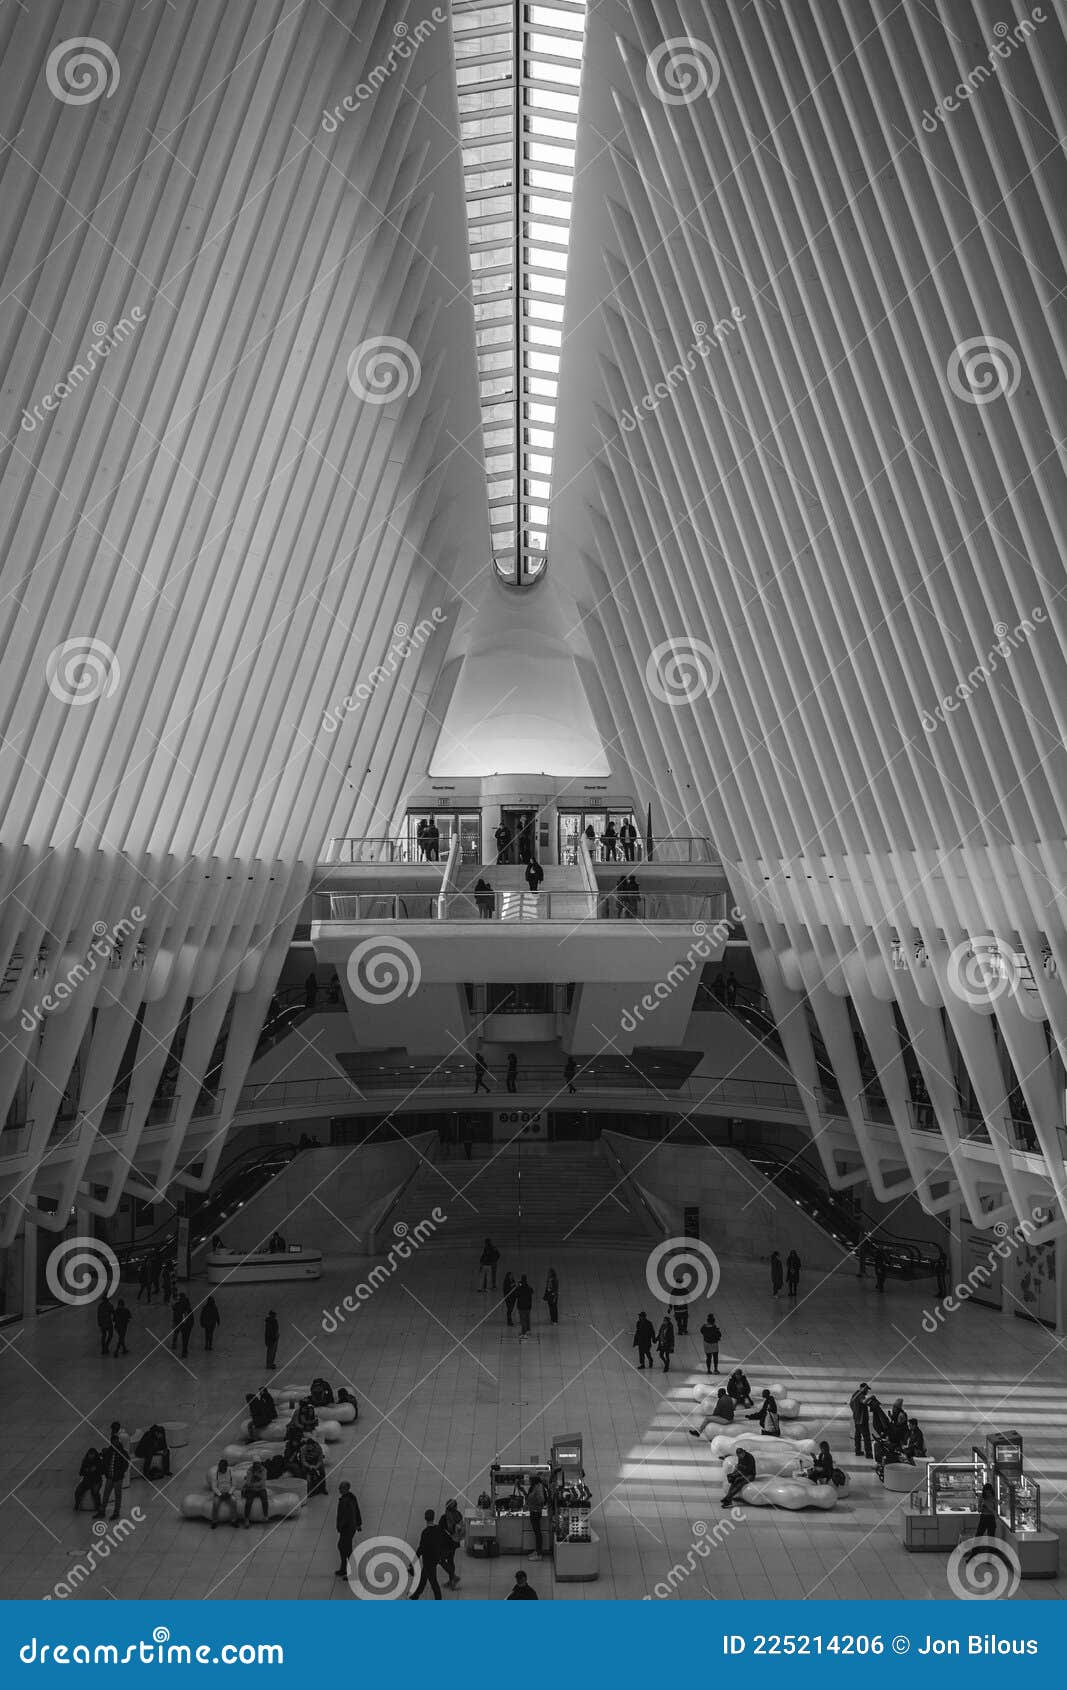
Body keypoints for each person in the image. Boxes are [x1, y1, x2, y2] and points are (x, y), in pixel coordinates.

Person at [97, 1424, 129, 1522]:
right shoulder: (110, 1451)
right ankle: (102, 1511)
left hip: (117, 1478)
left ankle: (115, 1512)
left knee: (117, 1495)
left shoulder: (121, 1452)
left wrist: (120, 1473)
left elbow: (125, 1463)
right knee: (106, 1494)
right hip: (110, 1477)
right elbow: (105, 1462)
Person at [409, 1509, 444, 1599]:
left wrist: (413, 1562)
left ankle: (439, 1599)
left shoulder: (425, 1533)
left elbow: (421, 1548)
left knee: (433, 1582)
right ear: (433, 1517)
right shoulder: (438, 1529)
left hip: (428, 1560)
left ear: (425, 1518)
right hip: (435, 1558)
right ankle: (416, 1595)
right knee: (423, 1578)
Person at [335, 1480, 363, 1577]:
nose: (339, 1489)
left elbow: (347, 1516)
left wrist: (340, 1526)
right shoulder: (351, 1497)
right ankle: (344, 1568)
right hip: (350, 1527)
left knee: (346, 1548)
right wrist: (358, 1523)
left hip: (347, 1528)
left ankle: (352, 1572)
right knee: (343, 1547)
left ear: (345, 1489)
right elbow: (357, 1510)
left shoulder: (345, 1501)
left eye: (341, 1488)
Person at [438, 1499, 464, 1589]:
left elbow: (439, 1531)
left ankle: (453, 1577)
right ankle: (451, 1581)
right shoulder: (459, 1515)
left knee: (440, 1560)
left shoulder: (444, 1518)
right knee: (450, 1560)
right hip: (454, 1542)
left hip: (446, 1543)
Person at [210, 1458, 240, 1529]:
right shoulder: (215, 1474)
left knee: (234, 1501)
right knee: (215, 1503)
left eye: (223, 1467)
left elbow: (234, 1485)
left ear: (226, 1467)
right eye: (220, 1467)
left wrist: (229, 1493)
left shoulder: (231, 1473)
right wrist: (220, 1494)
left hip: (228, 1493)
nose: (221, 1469)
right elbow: (214, 1487)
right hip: (219, 1493)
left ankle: (234, 1520)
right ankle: (214, 1521)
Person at [74, 1448, 103, 1513]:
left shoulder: (98, 1462)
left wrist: (96, 1469)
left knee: (95, 1492)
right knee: (78, 1491)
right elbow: (81, 1473)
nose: (91, 1456)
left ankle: (98, 1506)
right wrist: (87, 1470)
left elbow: (102, 1472)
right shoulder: (85, 1461)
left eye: (92, 1455)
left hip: (96, 1481)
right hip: (86, 1481)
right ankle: (77, 1504)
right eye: (90, 1454)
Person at [242, 1457, 270, 1526]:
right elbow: (248, 1482)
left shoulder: (264, 1470)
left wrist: (254, 1482)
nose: (257, 1465)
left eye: (258, 1463)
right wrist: (254, 1484)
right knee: (248, 1502)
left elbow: (262, 1482)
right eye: (256, 1463)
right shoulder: (250, 1470)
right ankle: (246, 1519)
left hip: (260, 1489)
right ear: (253, 1464)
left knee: (265, 1500)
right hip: (252, 1489)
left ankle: (266, 1516)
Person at [526, 1473, 547, 1560]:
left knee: (538, 1533)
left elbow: (541, 1499)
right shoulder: (536, 1486)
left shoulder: (538, 1487)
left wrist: (535, 1503)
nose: (529, 1480)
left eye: (530, 1479)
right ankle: (537, 1551)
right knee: (537, 1532)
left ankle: (539, 1554)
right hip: (534, 1511)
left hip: (536, 1512)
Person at [850, 1383, 873, 1459]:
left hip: (856, 1418)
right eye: (866, 1389)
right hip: (862, 1420)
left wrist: (855, 1412)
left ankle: (857, 1451)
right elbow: (864, 1402)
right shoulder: (861, 1395)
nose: (867, 1391)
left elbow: (851, 1404)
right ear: (863, 1388)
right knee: (866, 1436)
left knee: (857, 1435)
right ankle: (868, 1453)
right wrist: (870, 1397)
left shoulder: (855, 1394)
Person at [516, 1274, 534, 1338]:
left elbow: (516, 1295)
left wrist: (518, 1287)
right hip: (528, 1306)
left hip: (521, 1306)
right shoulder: (528, 1287)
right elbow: (532, 1291)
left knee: (523, 1320)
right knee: (527, 1319)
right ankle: (528, 1330)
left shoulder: (520, 1288)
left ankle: (524, 1334)